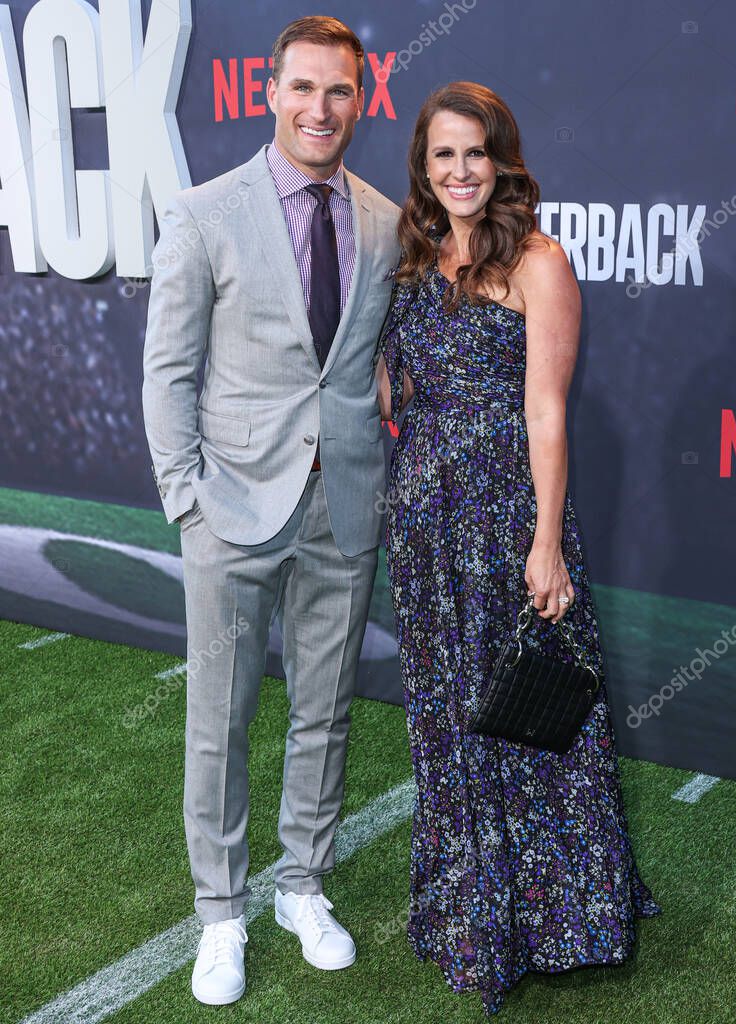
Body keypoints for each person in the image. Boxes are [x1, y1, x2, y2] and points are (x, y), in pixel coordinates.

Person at [376, 81, 662, 1017]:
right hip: (424, 523)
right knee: (449, 719)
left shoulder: (540, 262)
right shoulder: (412, 260)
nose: (458, 172)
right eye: (441, 155)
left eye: (474, 153)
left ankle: (558, 914)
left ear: (502, 160)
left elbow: (546, 410)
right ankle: (473, 907)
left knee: (528, 712)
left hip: (508, 520)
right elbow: (390, 388)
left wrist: (546, 542)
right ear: (423, 167)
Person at [142, 16, 401, 1006]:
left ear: (360, 99)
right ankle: (220, 911)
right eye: (303, 88)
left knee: (326, 713)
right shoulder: (207, 211)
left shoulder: (382, 218)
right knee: (220, 717)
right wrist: (186, 501)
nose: (320, 108)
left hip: (343, 503)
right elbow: (169, 370)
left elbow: (362, 355)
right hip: (229, 510)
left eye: (339, 91)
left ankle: (302, 884)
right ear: (271, 91)